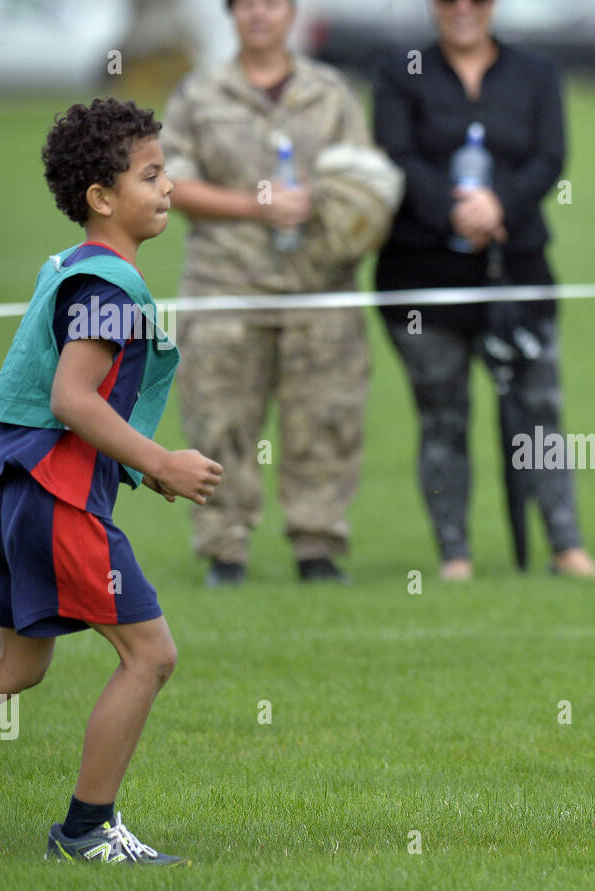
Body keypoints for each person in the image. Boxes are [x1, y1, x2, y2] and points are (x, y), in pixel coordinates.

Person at [0, 99, 222, 864]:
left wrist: (132, 468)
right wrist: (160, 461)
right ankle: (87, 830)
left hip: (18, 494)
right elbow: (71, 399)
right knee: (150, 655)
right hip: (56, 503)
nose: (168, 187)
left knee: (15, 663)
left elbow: (61, 406)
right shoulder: (110, 288)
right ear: (101, 196)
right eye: (151, 174)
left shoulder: (73, 267)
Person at [160, 0, 403, 587]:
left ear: (292, 12)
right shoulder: (199, 95)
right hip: (226, 286)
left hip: (319, 288)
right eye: (246, 5)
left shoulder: (333, 92)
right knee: (220, 422)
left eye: (272, 3)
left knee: (325, 422)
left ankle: (317, 549)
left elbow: (365, 176)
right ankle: (226, 553)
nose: (259, 15)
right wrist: (255, 205)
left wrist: (328, 204)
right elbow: (169, 180)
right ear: (231, 14)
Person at [372, 0, 595, 581]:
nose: (464, 11)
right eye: (451, 1)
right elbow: (397, 156)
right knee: (442, 416)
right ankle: (455, 556)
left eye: (476, 0)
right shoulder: (403, 71)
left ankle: (565, 545)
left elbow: (549, 157)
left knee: (540, 413)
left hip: (517, 268)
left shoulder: (536, 71)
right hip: (423, 277)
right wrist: (455, 214)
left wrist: (499, 204)